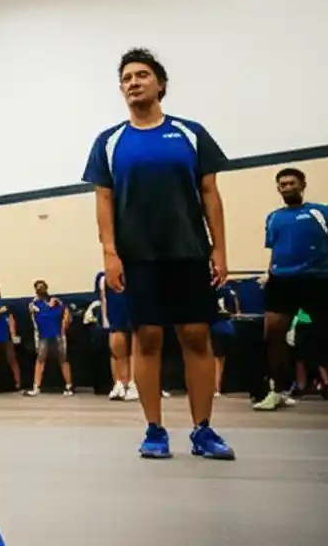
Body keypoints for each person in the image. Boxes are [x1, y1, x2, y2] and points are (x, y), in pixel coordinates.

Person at [82, 47, 234, 460]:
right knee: (146, 337)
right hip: (137, 256)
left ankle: (203, 430)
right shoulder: (109, 142)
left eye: (142, 75)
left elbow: (210, 194)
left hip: (188, 251)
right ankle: (154, 430)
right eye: (126, 78)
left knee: (196, 335)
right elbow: (103, 200)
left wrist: (220, 250)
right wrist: (110, 253)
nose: (133, 82)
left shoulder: (190, 133)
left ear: (160, 84)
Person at [255, 168, 328, 411]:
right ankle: (277, 391)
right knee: (273, 334)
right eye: (283, 184)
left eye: (291, 183)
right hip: (282, 280)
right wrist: (270, 274)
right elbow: (275, 250)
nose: (287, 187)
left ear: (302, 185)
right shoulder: (274, 218)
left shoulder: (322, 212)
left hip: (319, 278)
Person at [25, 280, 74, 397]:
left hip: (58, 335)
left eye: (42, 286)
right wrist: (49, 307)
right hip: (43, 335)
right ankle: (36, 387)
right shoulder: (33, 304)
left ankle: (69, 386)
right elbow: (38, 314)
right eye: (38, 287)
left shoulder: (56, 301)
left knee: (63, 360)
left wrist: (64, 323)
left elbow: (66, 312)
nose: (40, 289)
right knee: (40, 360)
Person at [97, 270, 137, 401]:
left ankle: (133, 382)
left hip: (136, 274)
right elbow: (104, 300)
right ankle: (120, 383)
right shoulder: (104, 278)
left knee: (136, 337)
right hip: (116, 277)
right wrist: (106, 320)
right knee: (116, 339)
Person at [210, 285, 238, 398]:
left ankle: (215, 388)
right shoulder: (228, 290)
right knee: (219, 360)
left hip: (215, 327)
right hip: (226, 328)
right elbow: (236, 311)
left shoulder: (210, 289)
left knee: (216, 359)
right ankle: (216, 388)